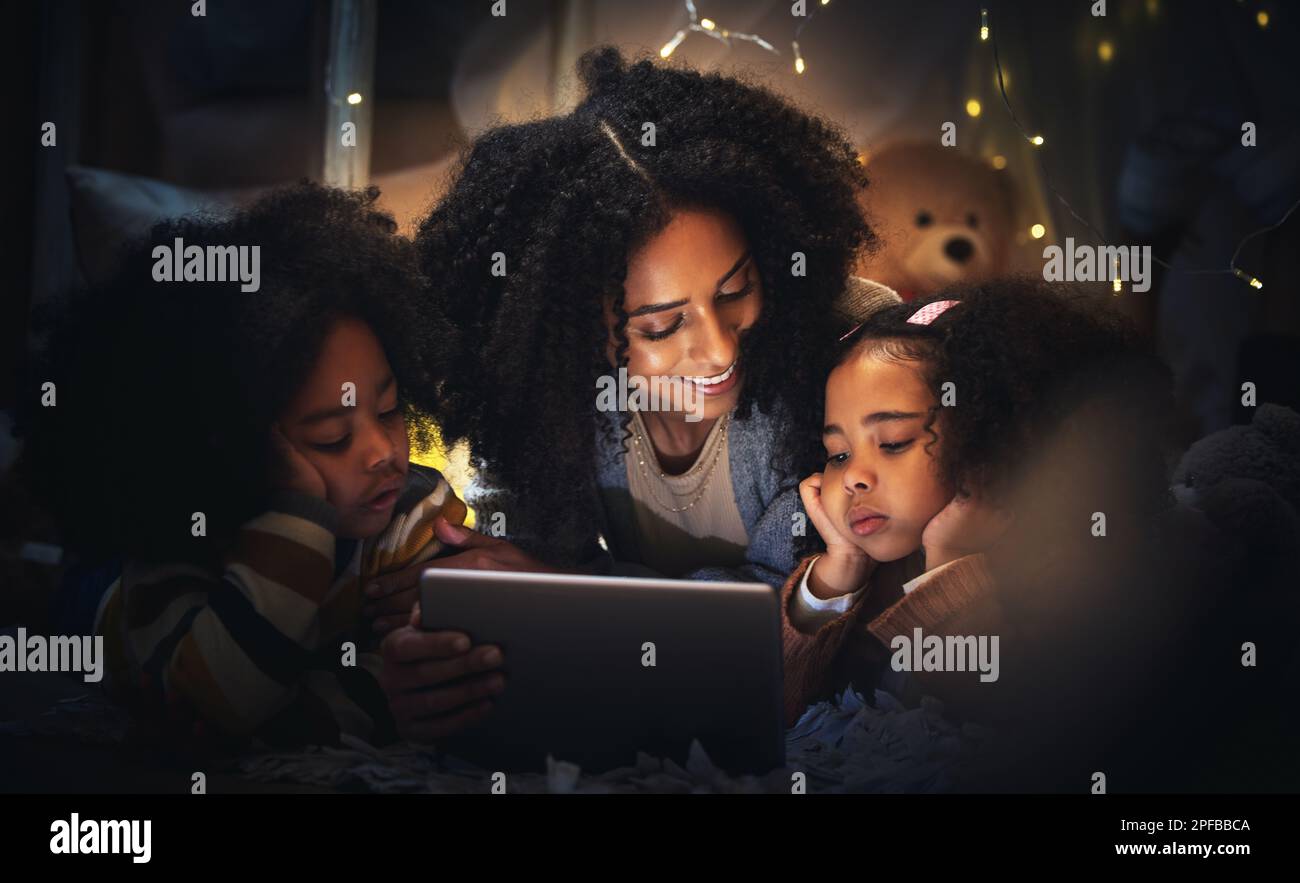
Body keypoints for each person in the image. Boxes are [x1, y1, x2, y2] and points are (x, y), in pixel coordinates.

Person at [22, 183, 477, 748]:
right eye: (331, 438)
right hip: (108, 605)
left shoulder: (412, 508)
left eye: (387, 409)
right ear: (230, 449)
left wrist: (369, 690)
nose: (382, 451)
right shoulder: (179, 548)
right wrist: (297, 518)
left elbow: (422, 675)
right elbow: (222, 703)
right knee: (70, 591)